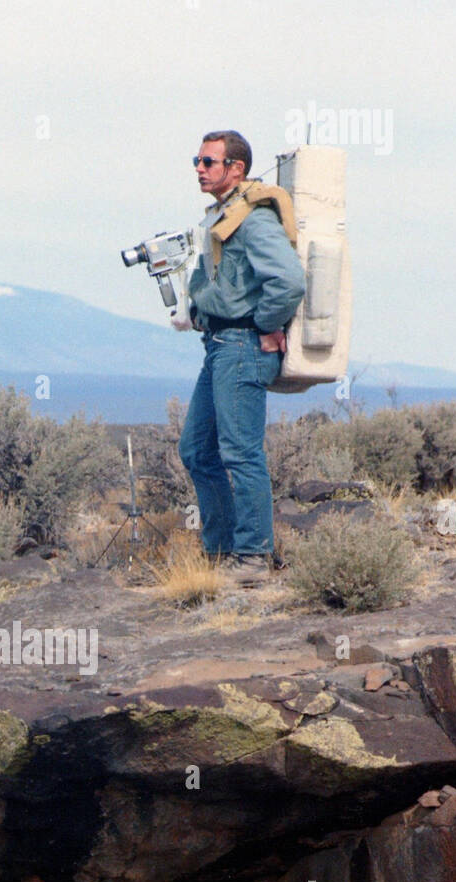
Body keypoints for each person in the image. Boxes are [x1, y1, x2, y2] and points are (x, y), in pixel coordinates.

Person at [177, 129, 306, 584]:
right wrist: (196, 311)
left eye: (208, 162)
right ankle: (220, 550)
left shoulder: (254, 219)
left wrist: (269, 325)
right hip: (220, 346)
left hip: (242, 346)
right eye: (197, 161)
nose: (199, 169)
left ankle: (252, 556)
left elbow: (288, 281)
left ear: (236, 168)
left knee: (241, 453)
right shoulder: (226, 216)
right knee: (197, 450)